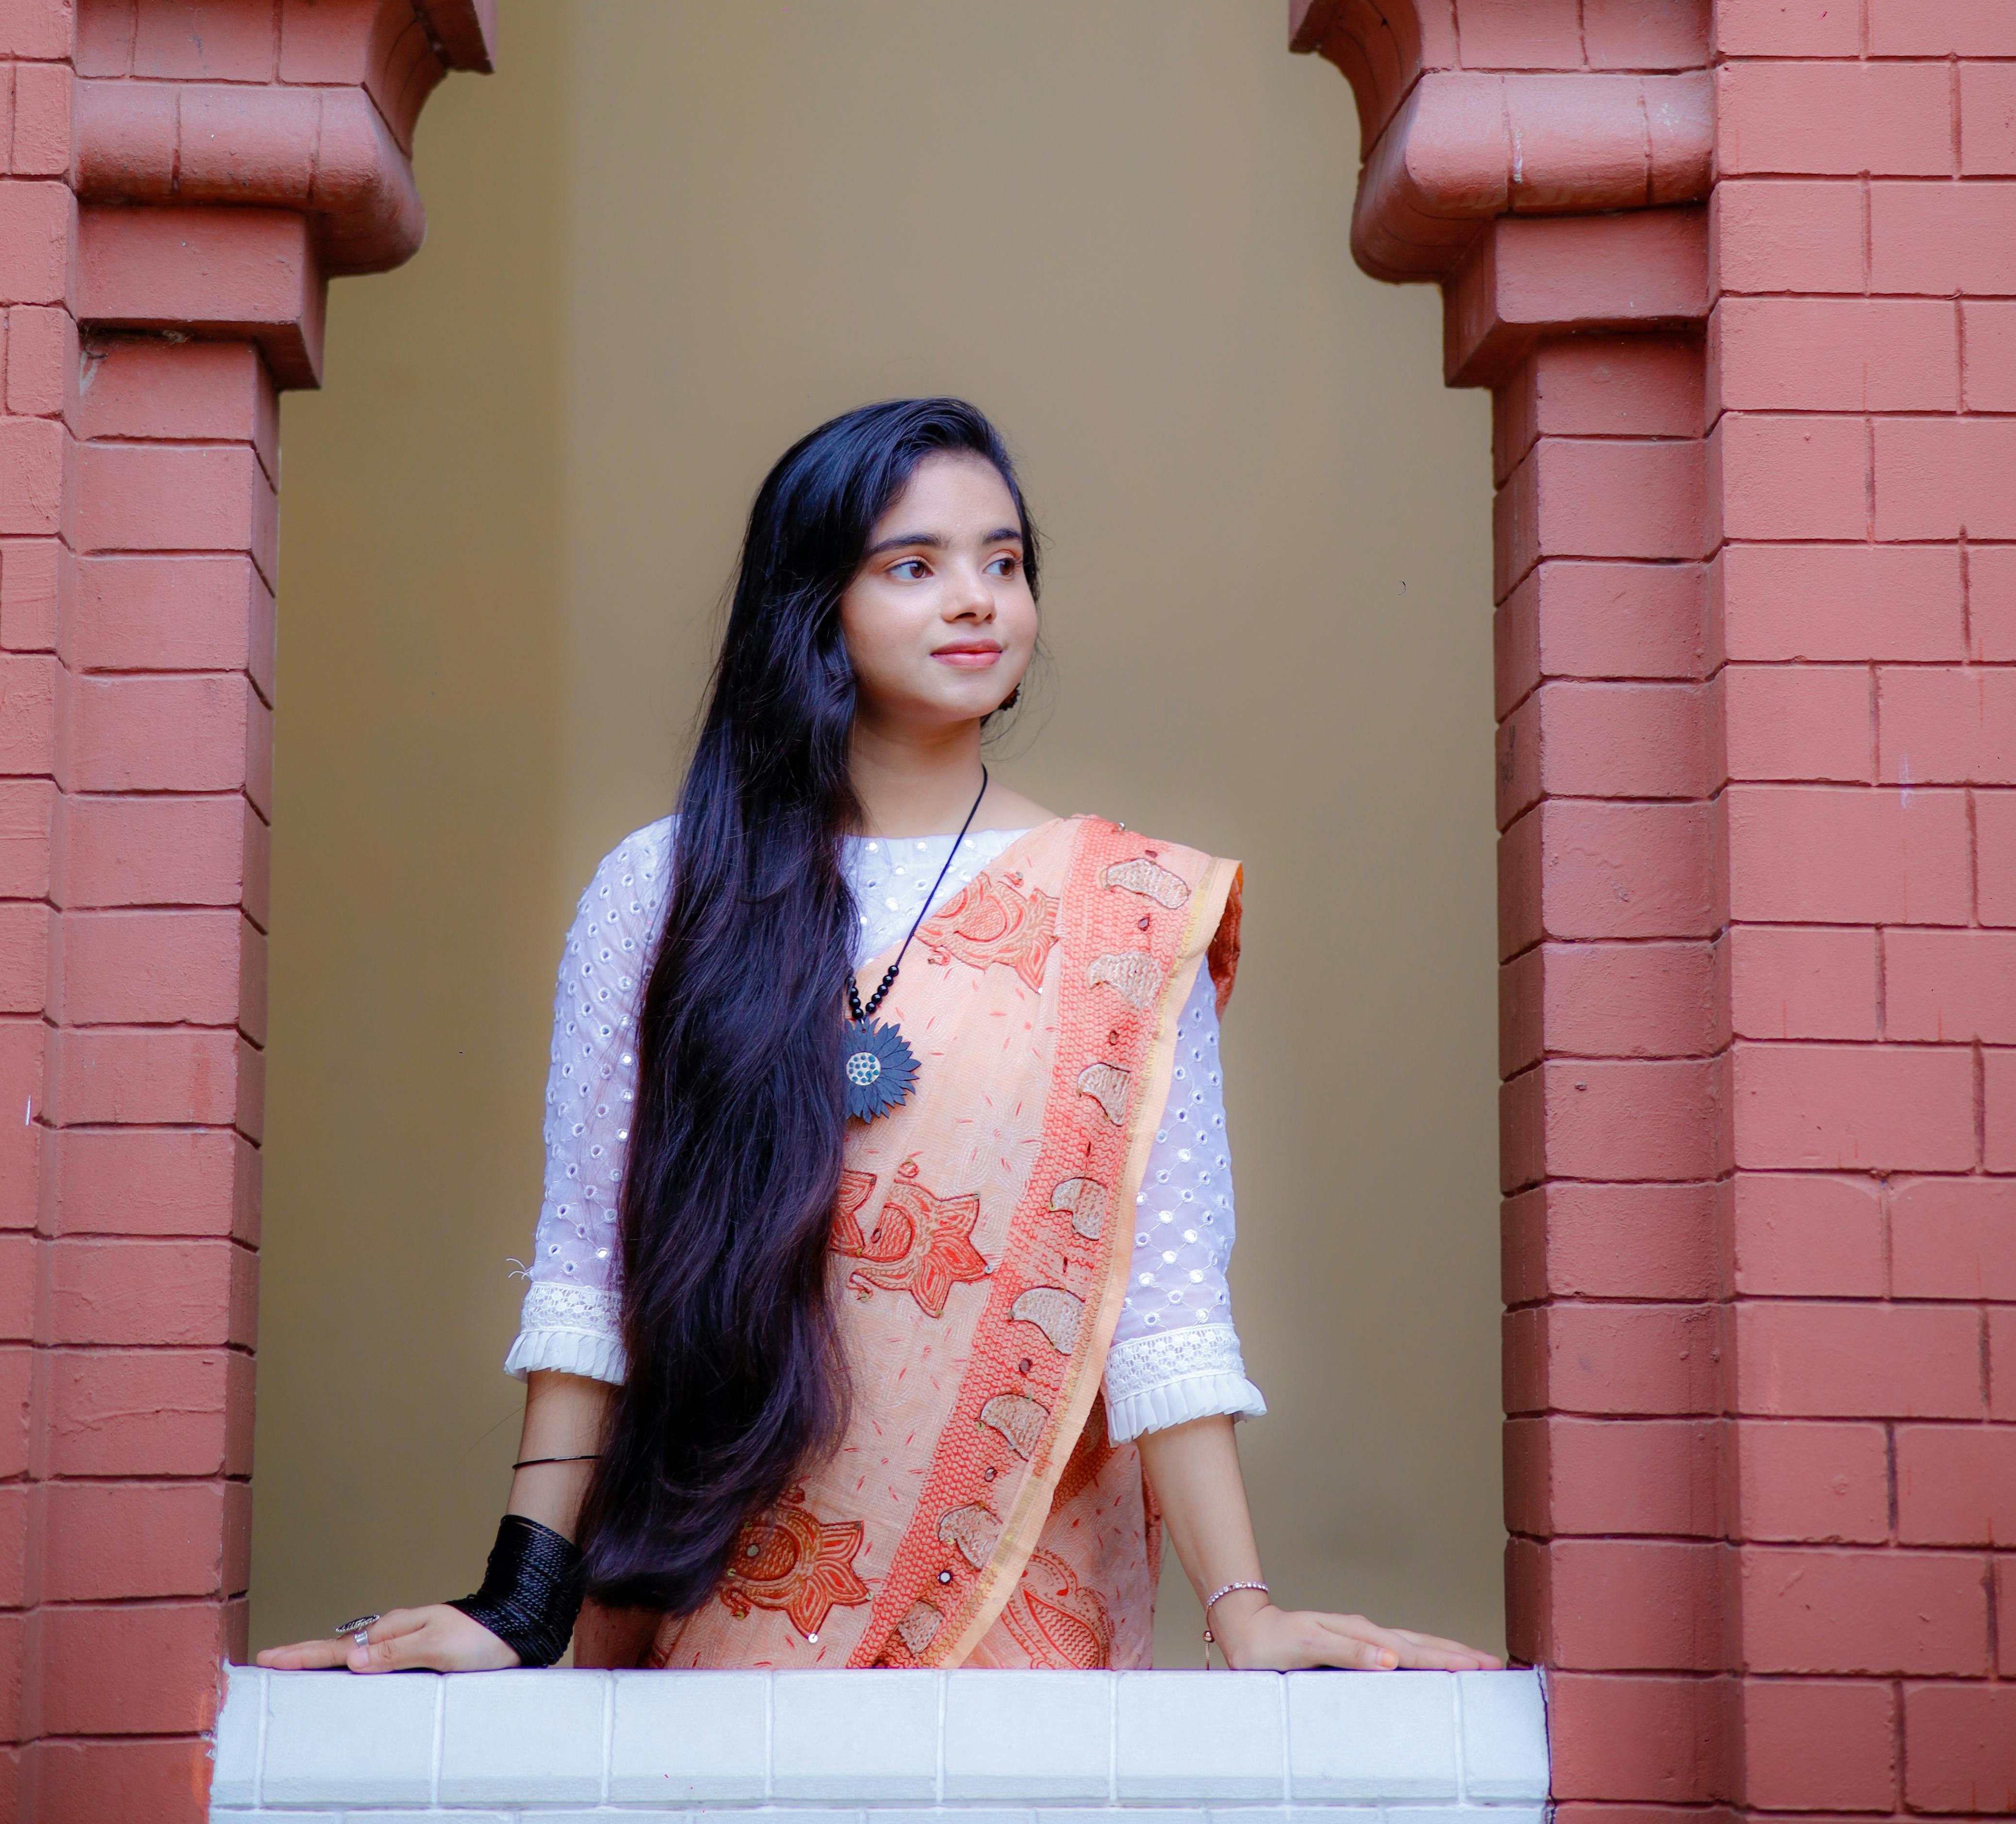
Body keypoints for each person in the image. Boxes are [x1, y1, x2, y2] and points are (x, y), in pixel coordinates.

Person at [260, 398, 1499, 1678]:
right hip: (711, 1613)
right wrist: (520, 1602)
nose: (976, 600)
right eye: (914, 565)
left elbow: (1166, 1308)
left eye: (1002, 561)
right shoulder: (664, 891)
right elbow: (591, 1276)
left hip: (1016, 1622)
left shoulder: (1128, 914)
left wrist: (1245, 1610)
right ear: (813, 604)